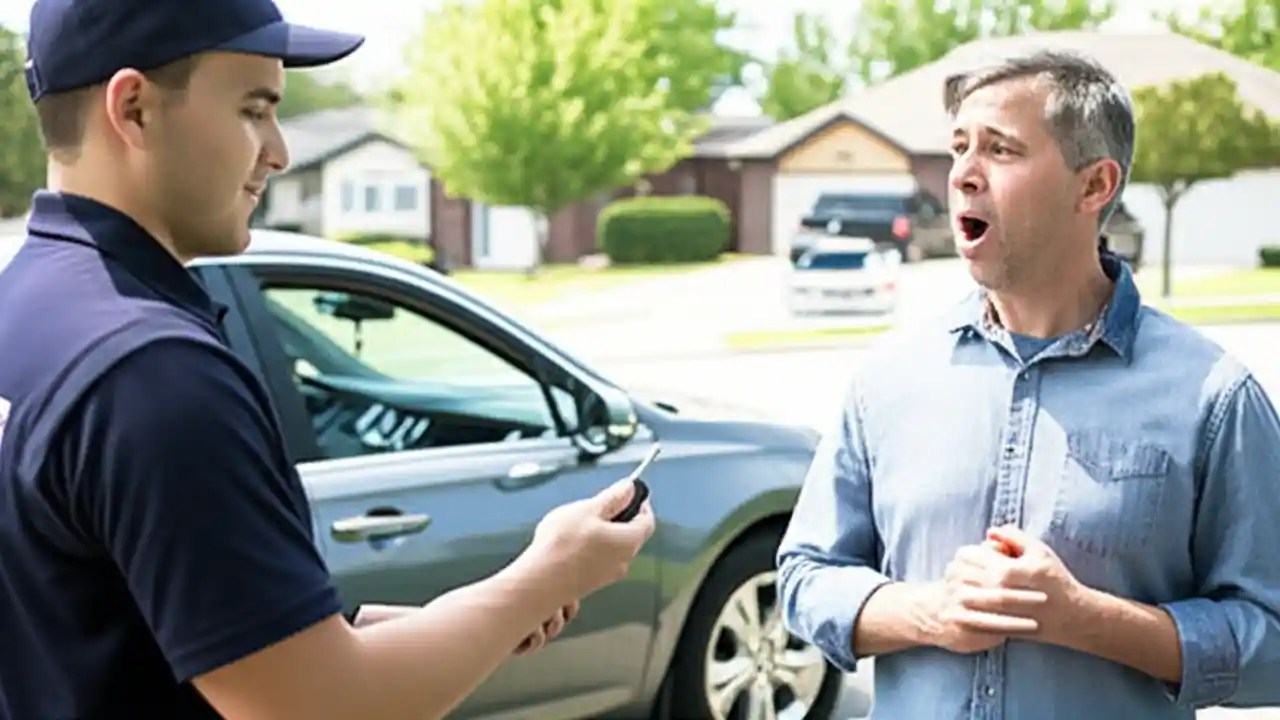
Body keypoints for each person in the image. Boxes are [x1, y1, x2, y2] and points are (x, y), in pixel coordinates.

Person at [0, 1, 654, 718]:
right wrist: (551, 575)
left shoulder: (29, 304)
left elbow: (115, 620)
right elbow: (325, 709)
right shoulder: (153, 373)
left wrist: (479, 615)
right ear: (135, 109)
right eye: (254, 109)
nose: (278, 152)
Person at [776, 48, 1280, 719]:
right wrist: (928, 613)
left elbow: (1273, 644)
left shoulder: (1215, 398)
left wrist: (1082, 618)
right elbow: (806, 576)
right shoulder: (887, 382)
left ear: (1094, 186)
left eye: (1001, 149)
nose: (963, 175)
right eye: (959, 148)